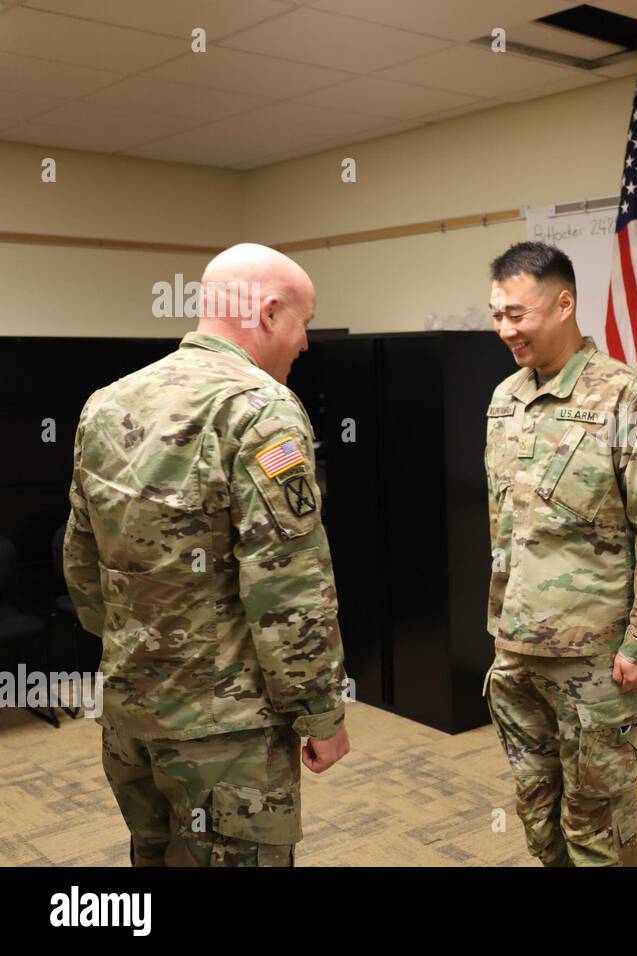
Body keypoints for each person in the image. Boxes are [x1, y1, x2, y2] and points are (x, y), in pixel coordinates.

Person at [63, 243, 349, 867]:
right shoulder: (260, 409)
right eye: (305, 322)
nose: (305, 345)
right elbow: (288, 585)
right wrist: (321, 712)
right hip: (227, 732)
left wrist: (139, 650)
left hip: (130, 715)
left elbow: (82, 564)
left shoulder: (107, 403)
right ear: (270, 313)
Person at [482, 242, 637, 866]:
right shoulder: (504, 399)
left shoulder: (633, 398)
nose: (504, 329)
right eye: (496, 314)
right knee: (537, 813)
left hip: (593, 658)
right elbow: (505, 529)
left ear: (564, 303)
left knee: (597, 825)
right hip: (516, 650)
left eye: (516, 313)